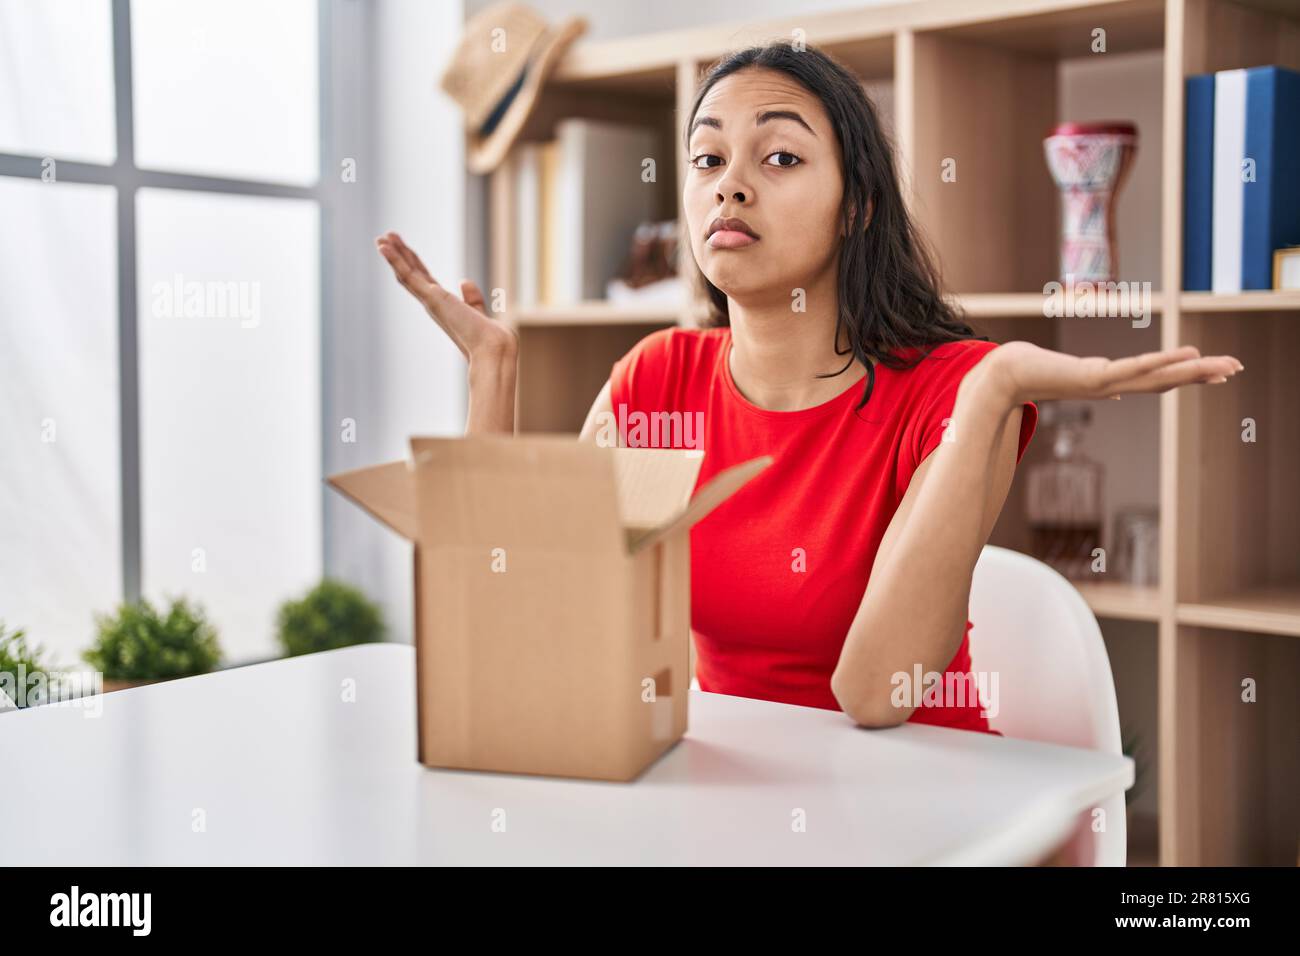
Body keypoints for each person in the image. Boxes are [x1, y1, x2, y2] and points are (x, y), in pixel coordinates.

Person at [375, 41, 1241, 734]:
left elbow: (873, 695)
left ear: (857, 203)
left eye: (780, 156)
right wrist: (494, 379)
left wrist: (997, 382)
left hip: (928, 805)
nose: (731, 184)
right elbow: (519, 628)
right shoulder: (659, 378)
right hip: (731, 799)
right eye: (706, 158)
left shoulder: (952, 393)